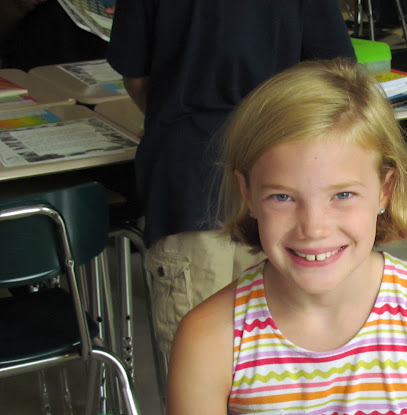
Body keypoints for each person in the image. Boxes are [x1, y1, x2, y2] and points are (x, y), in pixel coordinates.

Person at [167, 59, 407, 415]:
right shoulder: (208, 340)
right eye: (282, 197)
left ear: (385, 191)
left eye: (342, 194)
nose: (314, 228)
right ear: (248, 194)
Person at [106, 0, 356, 355]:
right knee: (280, 349)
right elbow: (334, 70)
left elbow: (135, 74)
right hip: (280, 172)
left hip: (192, 168)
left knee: (201, 352)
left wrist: (170, 111)